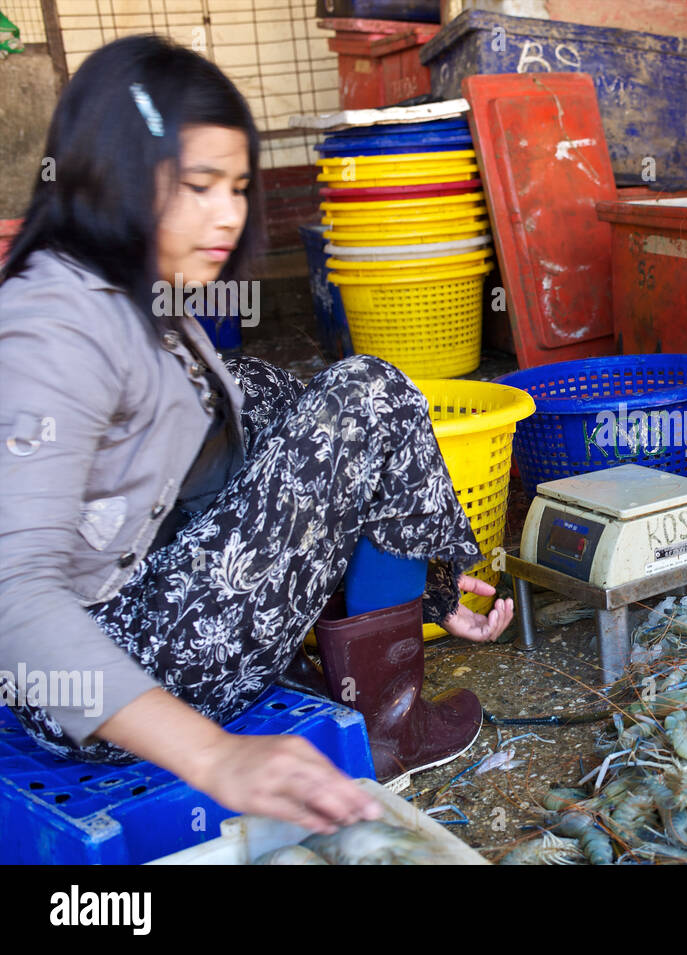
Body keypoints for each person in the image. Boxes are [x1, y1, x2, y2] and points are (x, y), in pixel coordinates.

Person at [0, 35, 513, 834]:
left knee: (278, 394)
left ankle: (409, 618)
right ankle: (386, 719)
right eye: (200, 186)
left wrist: (421, 569)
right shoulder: (51, 328)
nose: (229, 214)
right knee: (368, 393)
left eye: (237, 187)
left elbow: (248, 445)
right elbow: (13, 603)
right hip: (108, 677)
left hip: (157, 591)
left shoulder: (138, 289)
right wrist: (213, 755)